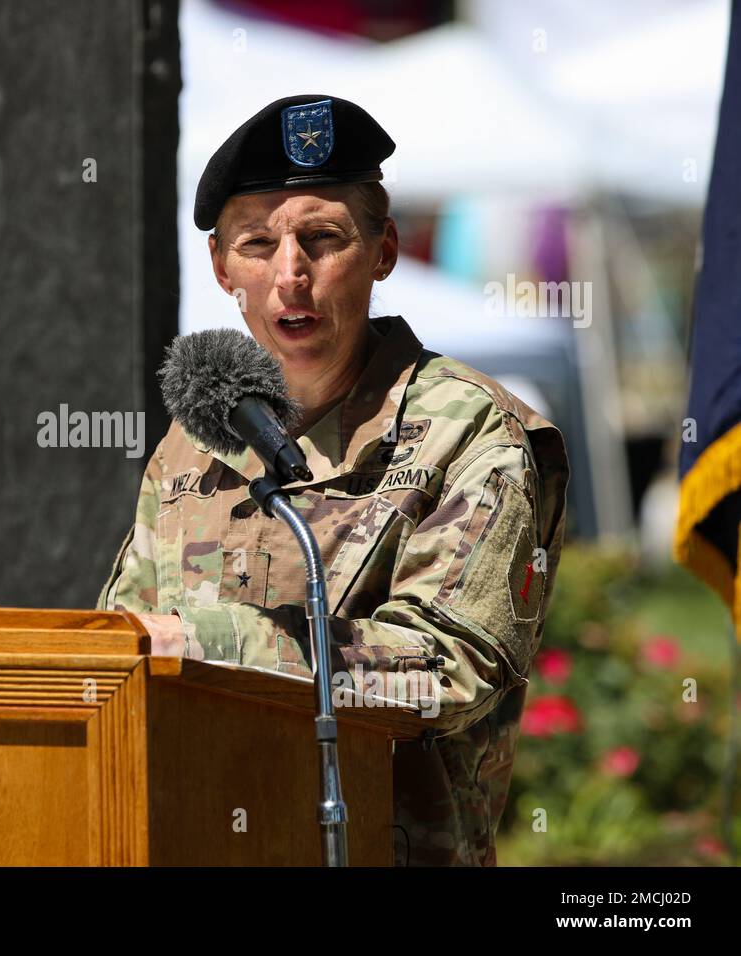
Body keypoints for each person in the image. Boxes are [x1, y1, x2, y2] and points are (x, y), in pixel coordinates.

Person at [97, 94, 570, 866]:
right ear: (222, 268)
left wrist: (208, 642)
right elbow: (124, 648)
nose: (291, 274)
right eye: (258, 243)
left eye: (323, 238)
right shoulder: (194, 439)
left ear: (383, 251)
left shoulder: (473, 431)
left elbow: (446, 672)